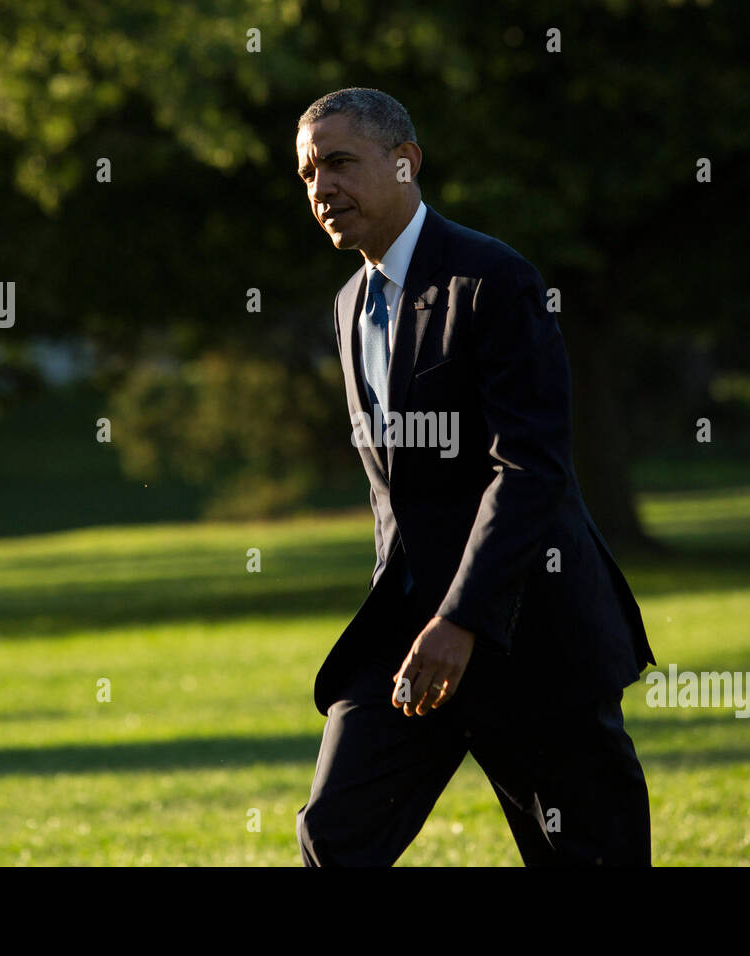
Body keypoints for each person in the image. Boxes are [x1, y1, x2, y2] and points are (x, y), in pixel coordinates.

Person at [293, 87, 656, 866]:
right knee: (336, 835)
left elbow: (530, 467)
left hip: (534, 636)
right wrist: (426, 619)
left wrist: (462, 619)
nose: (322, 189)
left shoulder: (493, 279)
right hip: (405, 644)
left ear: (405, 162)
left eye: (340, 164)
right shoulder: (349, 302)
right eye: (308, 174)